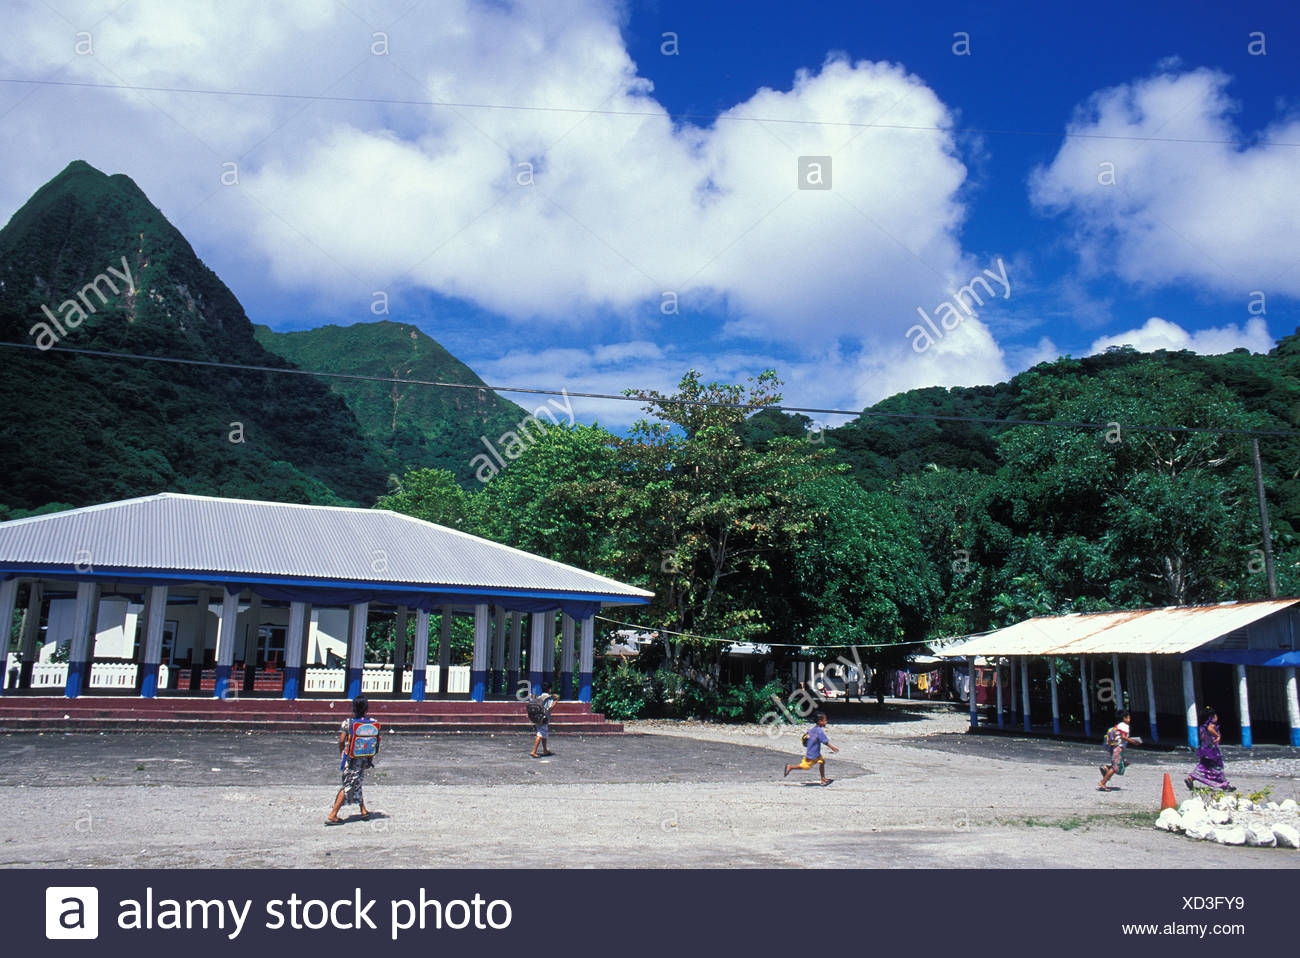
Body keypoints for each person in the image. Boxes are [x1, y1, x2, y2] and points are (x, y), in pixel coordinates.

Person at [325, 695, 379, 824]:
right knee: (356, 781)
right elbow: (377, 740)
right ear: (366, 708)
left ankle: (333, 814)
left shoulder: (348, 723)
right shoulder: (372, 722)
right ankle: (363, 810)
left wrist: (342, 753)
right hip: (364, 758)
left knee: (348, 785)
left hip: (351, 759)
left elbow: (342, 740)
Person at [1185, 706, 1234, 791]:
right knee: (1217, 768)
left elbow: (1202, 738)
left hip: (1204, 749)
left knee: (1204, 766)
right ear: (1212, 716)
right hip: (1211, 751)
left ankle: (1191, 778)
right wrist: (1217, 735)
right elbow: (1210, 729)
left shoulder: (1202, 726)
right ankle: (1225, 785)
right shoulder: (1210, 724)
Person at [784, 710, 839, 785]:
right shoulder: (819, 731)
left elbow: (806, 738)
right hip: (812, 754)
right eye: (825, 720)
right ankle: (790, 767)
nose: (826, 722)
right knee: (805, 766)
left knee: (822, 762)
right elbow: (825, 741)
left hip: (814, 752)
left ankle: (823, 779)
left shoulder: (811, 730)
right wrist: (833, 748)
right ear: (820, 721)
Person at [1097, 709, 1142, 791]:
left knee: (1124, 763)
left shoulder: (1118, 725)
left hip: (1114, 747)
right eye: (1128, 717)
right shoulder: (1125, 726)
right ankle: (1102, 783)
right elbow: (1123, 737)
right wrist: (1134, 742)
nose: (1129, 719)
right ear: (1124, 718)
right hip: (1118, 748)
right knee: (1115, 767)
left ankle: (1106, 768)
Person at [528, 683, 557, 758]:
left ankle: (545, 750)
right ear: (549, 690)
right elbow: (549, 708)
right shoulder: (548, 698)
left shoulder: (539, 697)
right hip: (544, 718)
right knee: (540, 733)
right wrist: (555, 701)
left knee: (544, 733)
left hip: (537, 717)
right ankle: (533, 751)